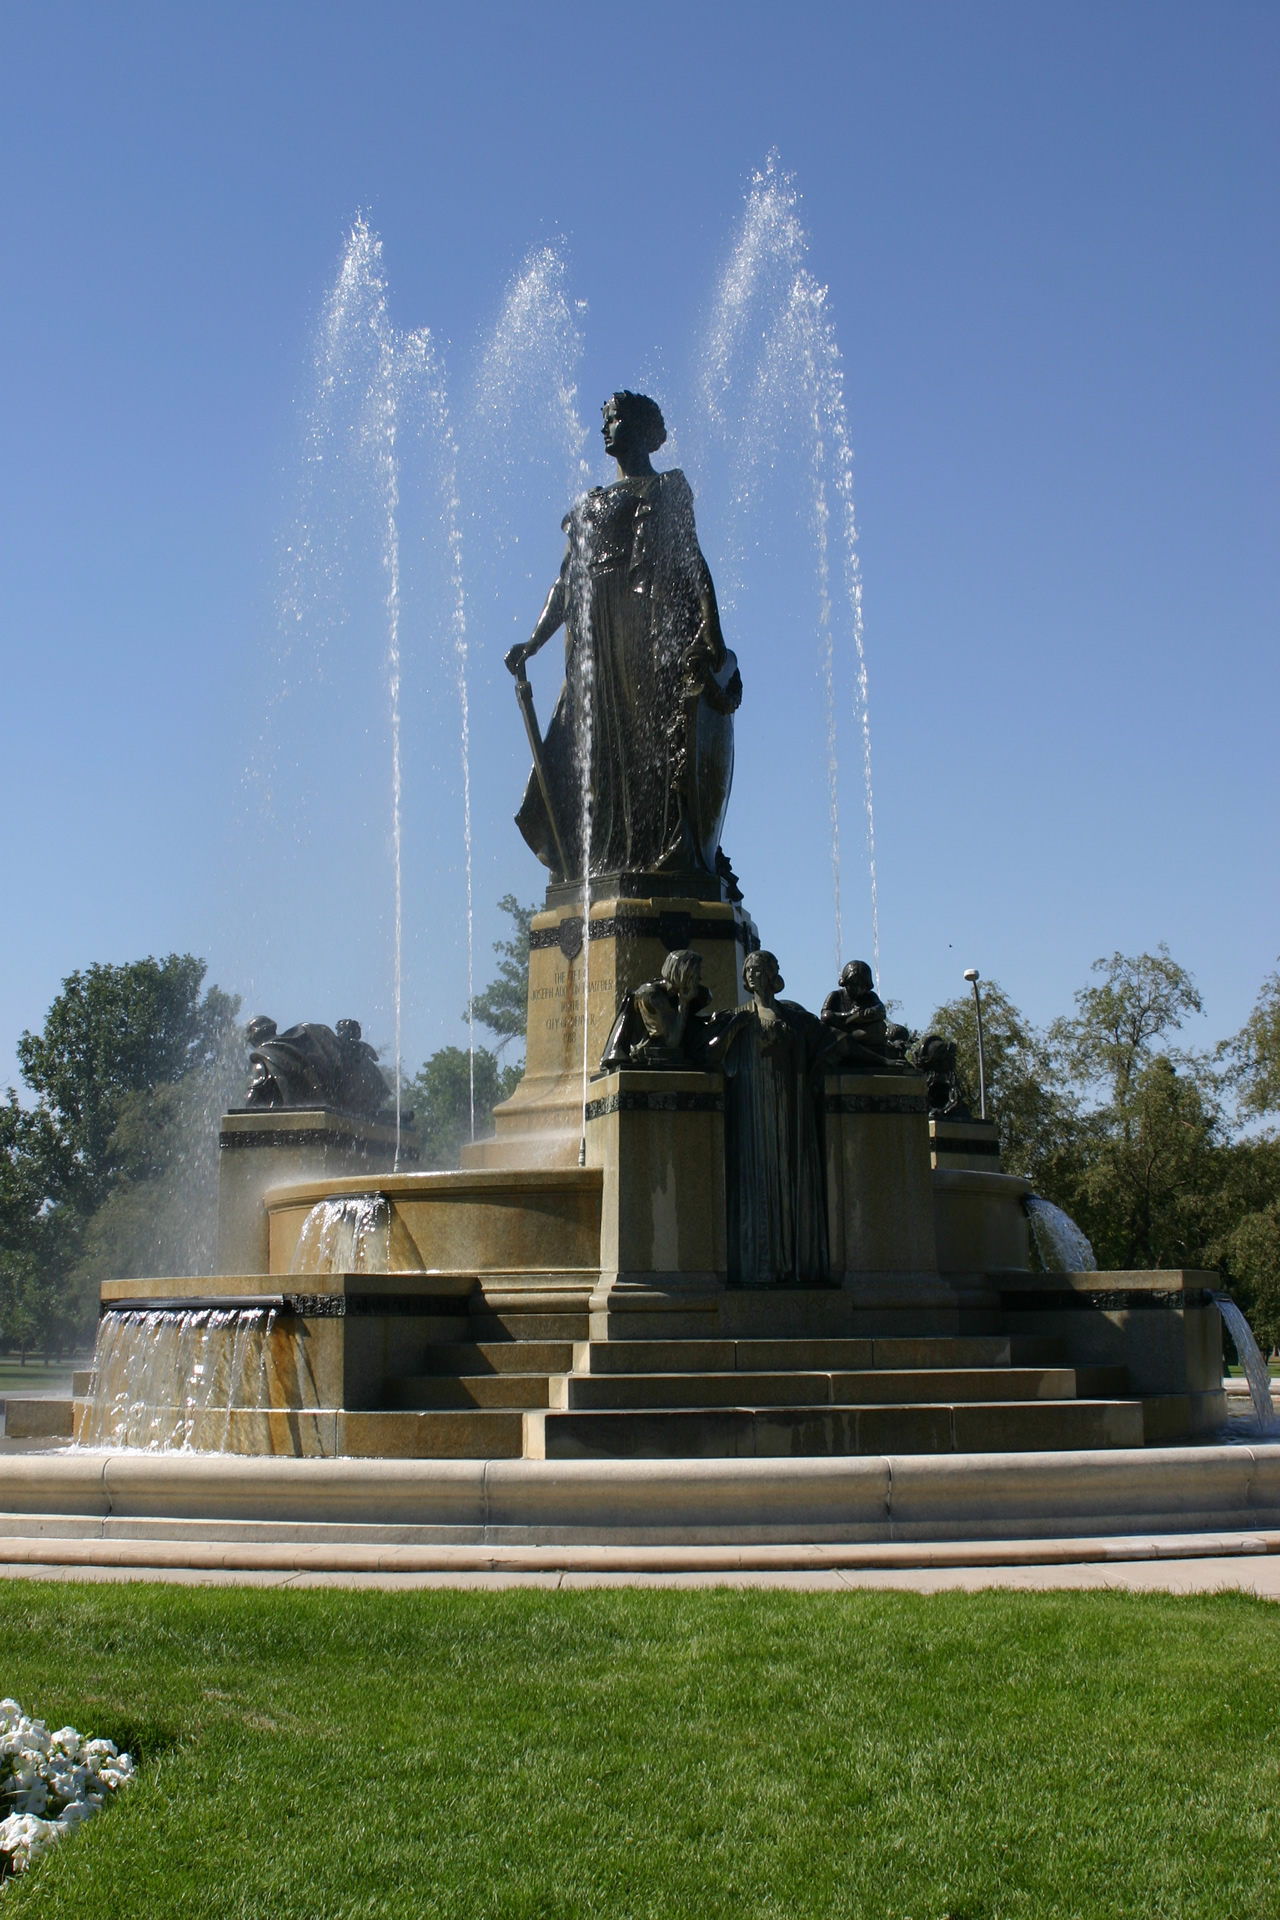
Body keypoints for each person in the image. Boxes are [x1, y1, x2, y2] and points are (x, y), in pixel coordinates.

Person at [505, 391, 740, 881]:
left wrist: (710, 628)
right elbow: (567, 584)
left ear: (639, 428)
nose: (606, 427)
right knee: (594, 750)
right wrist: (534, 642)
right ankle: (600, 857)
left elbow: (692, 561)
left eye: (614, 419)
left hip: (642, 627)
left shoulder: (665, 489)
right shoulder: (591, 504)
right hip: (595, 635)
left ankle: (657, 850)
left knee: (648, 740)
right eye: (605, 419)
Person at [708, 950, 829, 1287]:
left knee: (787, 1176)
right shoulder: (737, 1016)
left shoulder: (793, 1015)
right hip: (751, 1104)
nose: (752, 975)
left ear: (773, 975)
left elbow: (825, 1043)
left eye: (759, 969)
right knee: (757, 1177)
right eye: (748, 970)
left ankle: (791, 1263)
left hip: (789, 1103)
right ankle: (758, 1265)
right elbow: (712, 1052)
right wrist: (731, 1029)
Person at [820, 959, 911, 1071]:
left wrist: (872, 1011)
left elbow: (881, 1010)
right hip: (842, 1030)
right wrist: (847, 1014)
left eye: (862, 986)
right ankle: (847, 1039)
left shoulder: (870, 996)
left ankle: (850, 1038)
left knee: (880, 1027)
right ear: (845, 981)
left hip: (862, 1032)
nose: (857, 989)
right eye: (853, 984)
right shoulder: (836, 996)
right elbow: (825, 1015)